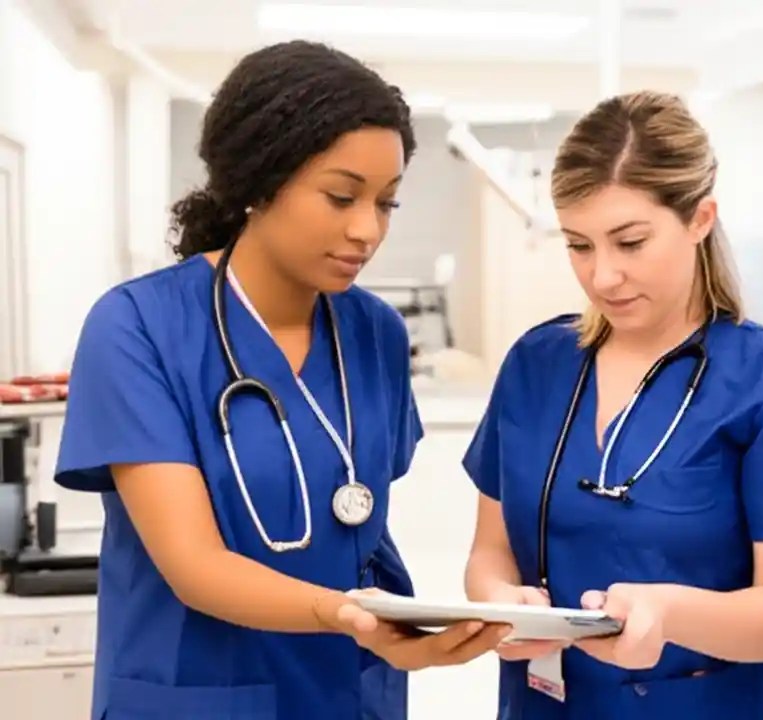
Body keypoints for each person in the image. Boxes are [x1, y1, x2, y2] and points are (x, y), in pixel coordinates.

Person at [54, 41, 507, 720]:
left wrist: (409, 623)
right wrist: (347, 615)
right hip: (196, 691)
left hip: (346, 690)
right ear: (260, 182)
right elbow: (193, 565)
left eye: (387, 203)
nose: (367, 230)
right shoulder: (137, 327)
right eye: (340, 196)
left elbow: (353, 521)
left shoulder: (375, 331)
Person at [460, 90, 763, 719]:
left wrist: (669, 614)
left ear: (700, 219)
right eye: (579, 244)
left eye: (630, 242)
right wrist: (501, 604)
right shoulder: (536, 365)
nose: (602, 277)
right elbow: (491, 551)